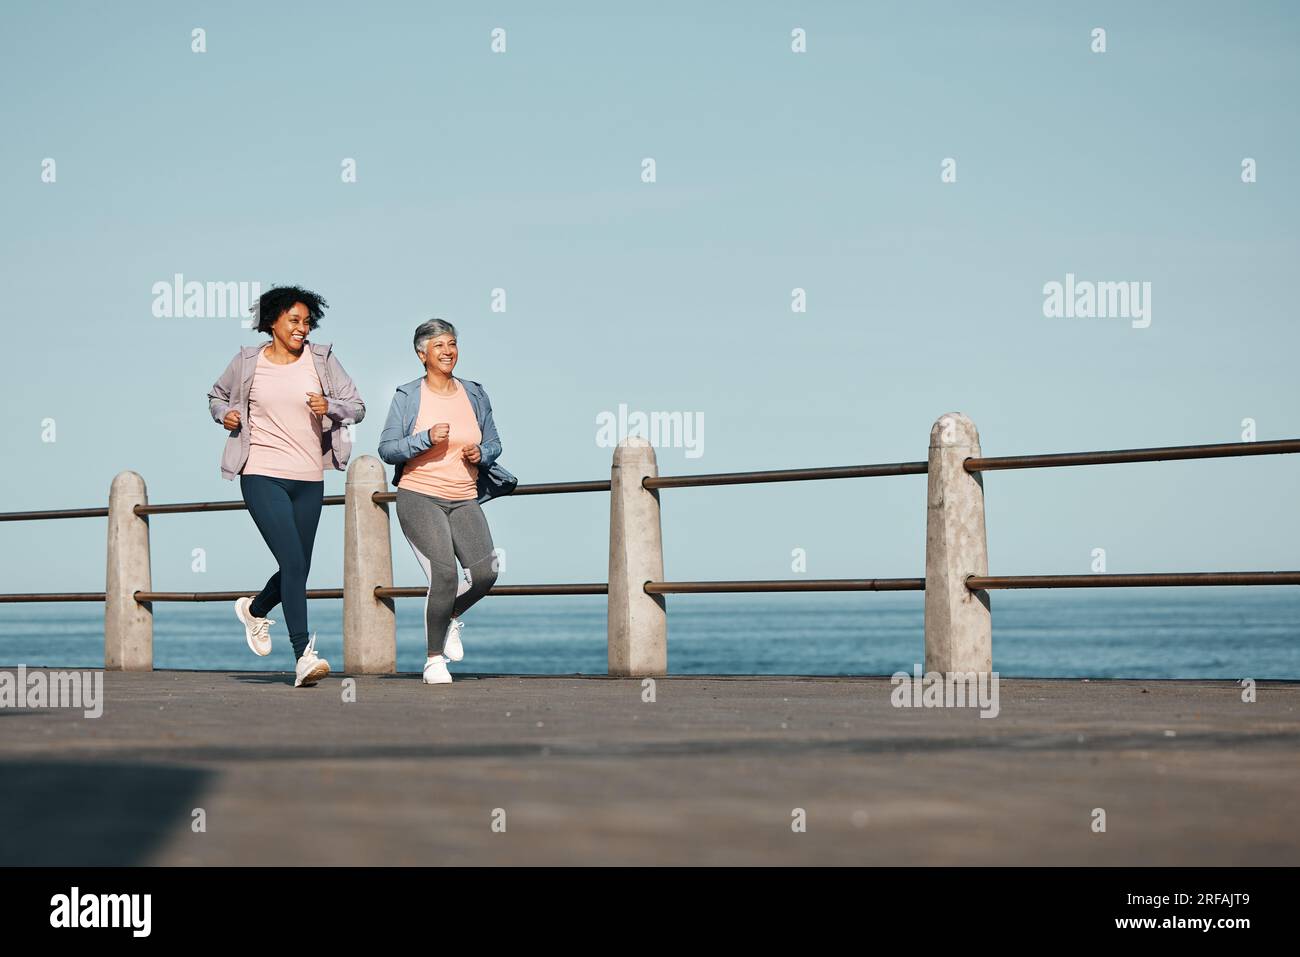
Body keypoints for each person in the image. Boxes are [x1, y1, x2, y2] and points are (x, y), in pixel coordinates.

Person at [207, 285, 365, 687]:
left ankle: (255, 610)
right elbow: (217, 396)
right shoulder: (247, 362)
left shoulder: (322, 360)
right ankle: (303, 656)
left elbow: (357, 406)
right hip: (260, 472)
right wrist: (225, 413)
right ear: (272, 322)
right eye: (294, 320)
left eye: (307, 321)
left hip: (309, 477)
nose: (302, 328)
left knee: (298, 566)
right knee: (294, 564)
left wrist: (330, 406)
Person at [378, 319, 517, 685]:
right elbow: (387, 449)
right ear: (421, 353)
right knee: (445, 575)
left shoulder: (474, 393)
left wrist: (481, 453)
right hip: (420, 495)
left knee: (487, 573)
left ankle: (447, 617)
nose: (447, 351)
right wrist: (423, 439)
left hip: (465, 498)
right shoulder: (408, 396)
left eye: (452, 343)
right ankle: (433, 660)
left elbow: (495, 442)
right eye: (438, 345)